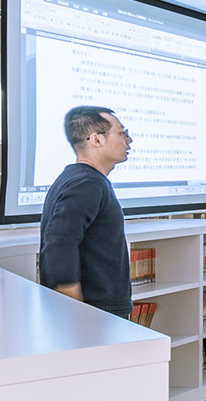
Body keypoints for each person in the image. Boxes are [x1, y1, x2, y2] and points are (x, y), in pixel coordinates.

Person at [38, 105, 134, 318]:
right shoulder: (87, 183)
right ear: (96, 140)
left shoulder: (77, 178)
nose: (129, 140)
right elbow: (59, 241)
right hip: (95, 312)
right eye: (122, 133)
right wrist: (73, 308)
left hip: (94, 311)